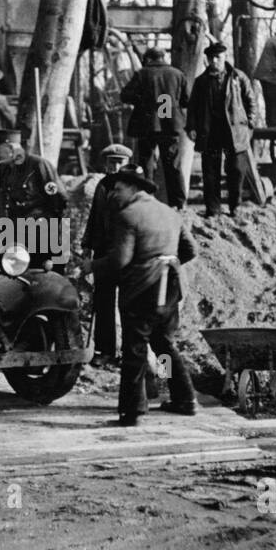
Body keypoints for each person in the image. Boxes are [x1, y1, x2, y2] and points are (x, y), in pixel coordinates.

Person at [90, 166, 198, 426]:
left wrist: (91, 266)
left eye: (117, 188)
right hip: (170, 288)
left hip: (142, 290)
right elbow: (190, 249)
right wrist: (166, 262)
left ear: (133, 188)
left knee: (135, 349)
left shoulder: (128, 215)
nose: (113, 194)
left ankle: (133, 411)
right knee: (164, 345)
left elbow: (119, 260)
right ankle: (184, 398)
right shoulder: (170, 213)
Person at [187, 42, 259, 215]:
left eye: (218, 57)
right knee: (210, 172)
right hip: (210, 131)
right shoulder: (201, 82)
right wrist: (191, 127)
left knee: (236, 170)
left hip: (234, 131)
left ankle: (235, 206)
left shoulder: (238, 78)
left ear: (225, 57)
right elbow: (193, 107)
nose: (214, 61)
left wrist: (250, 122)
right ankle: (213, 209)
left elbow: (251, 101)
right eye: (211, 58)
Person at [81, 143, 132, 364]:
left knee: (129, 305)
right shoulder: (102, 184)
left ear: (127, 163)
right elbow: (93, 220)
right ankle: (105, 350)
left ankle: (129, 352)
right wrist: (87, 249)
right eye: (112, 162)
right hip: (103, 253)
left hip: (126, 253)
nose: (115, 166)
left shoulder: (132, 187)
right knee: (103, 303)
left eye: (119, 162)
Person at [120, 47, 190, 209]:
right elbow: (186, 100)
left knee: (146, 164)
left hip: (148, 125)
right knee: (173, 165)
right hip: (170, 125)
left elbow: (125, 95)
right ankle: (179, 203)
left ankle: (147, 200)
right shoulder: (177, 74)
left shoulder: (142, 74)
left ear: (148, 59)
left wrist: (142, 99)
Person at [0, 130, 67, 266]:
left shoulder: (38, 165)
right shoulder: (5, 169)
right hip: (17, 234)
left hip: (41, 234)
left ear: (10, 149)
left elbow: (59, 200)